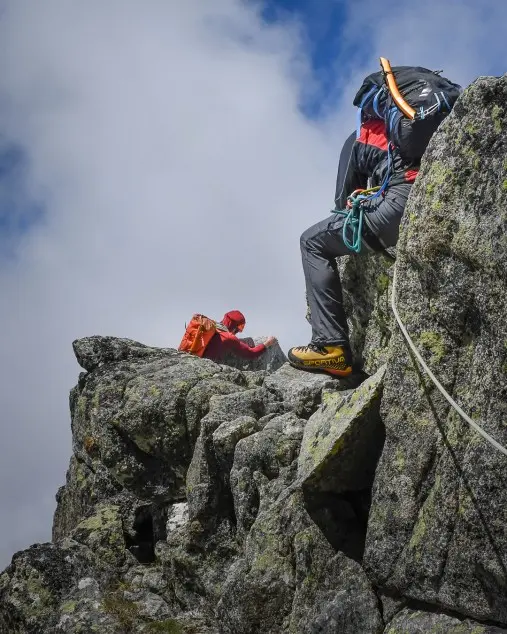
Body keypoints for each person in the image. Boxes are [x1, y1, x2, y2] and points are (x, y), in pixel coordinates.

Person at [287, 119, 418, 377]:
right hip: (420, 194)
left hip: (397, 205)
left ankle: (329, 348)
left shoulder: (364, 133)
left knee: (311, 241)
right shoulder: (420, 124)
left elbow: (343, 200)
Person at [203, 310, 277, 362]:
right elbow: (251, 353)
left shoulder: (213, 326)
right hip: (209, 364)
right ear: (234, 327)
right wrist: (267, 343)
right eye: (239, 328)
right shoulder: (229, 337)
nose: (239, 332)